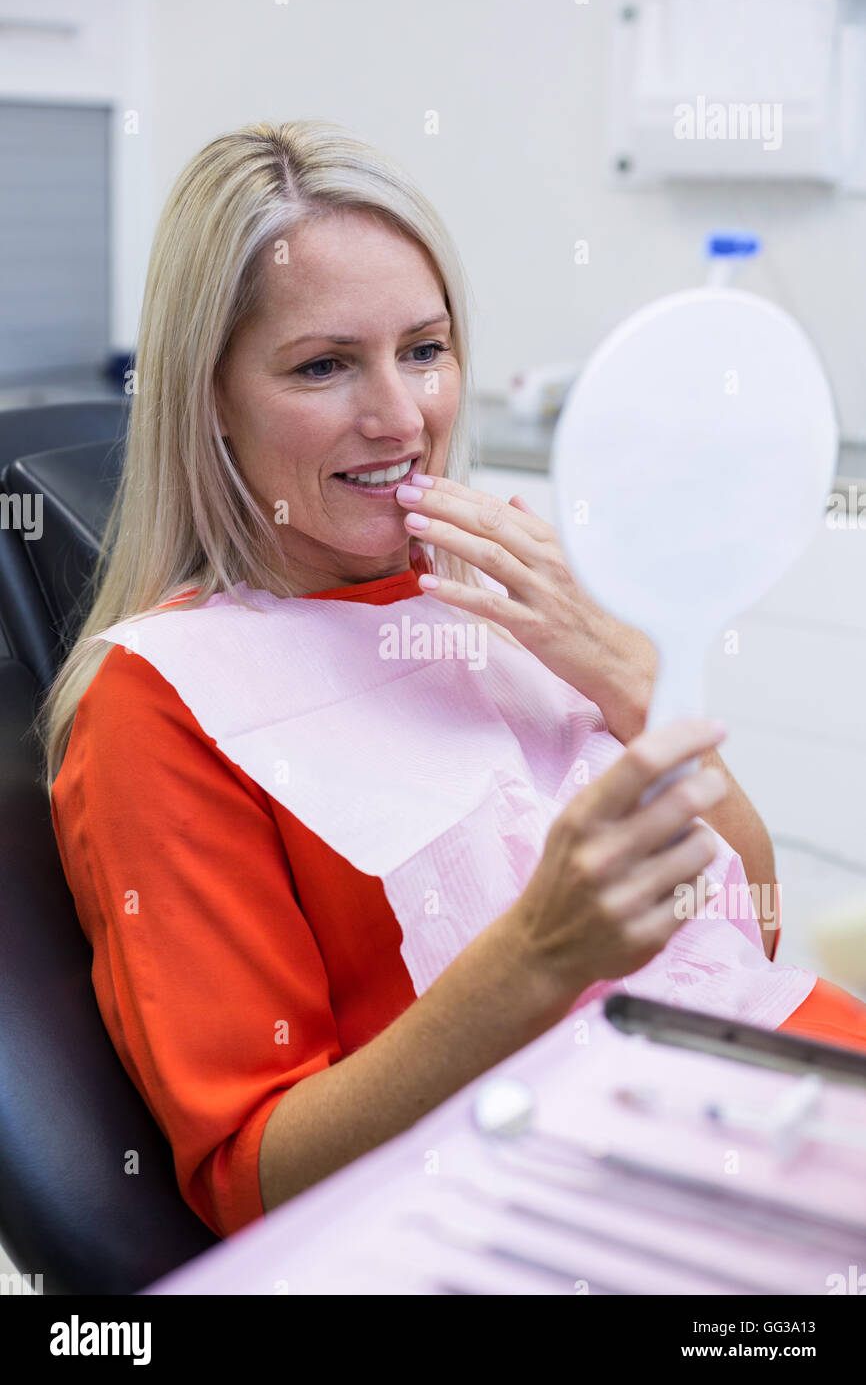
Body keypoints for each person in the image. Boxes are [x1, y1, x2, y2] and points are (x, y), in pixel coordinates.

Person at [39, 120, 866, 1243]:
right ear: (209, 398)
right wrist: (538, 957)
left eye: (423, 350)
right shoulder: (162, 702)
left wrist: (639, 684)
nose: (401, 416)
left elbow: (744, 919)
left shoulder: (514, 572)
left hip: (762, 1088)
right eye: (324, 365)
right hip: (552, 1206)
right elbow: (255, 1179)